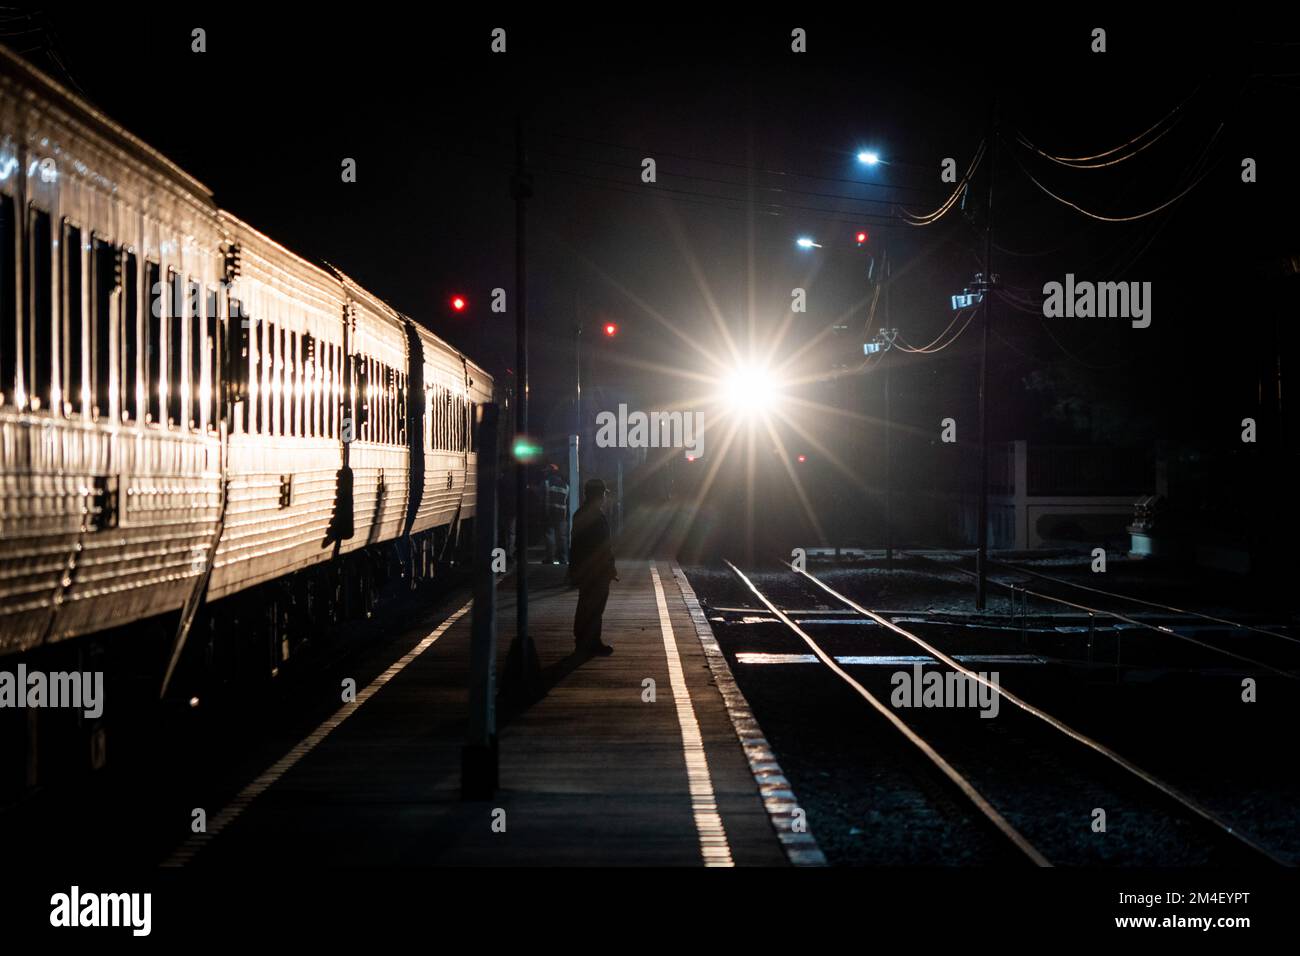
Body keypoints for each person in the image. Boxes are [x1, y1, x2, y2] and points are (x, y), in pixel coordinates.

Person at [569, 478, 617, 656]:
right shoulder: (597, 516)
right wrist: (609, 566)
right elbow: (603, 546)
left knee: (585, 605)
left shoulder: (579, 513)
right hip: (597, 570)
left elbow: (576, 544)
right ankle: (591, 642)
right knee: (595, 607)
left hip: (584, 568)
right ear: (599, 495)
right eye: (603, 493)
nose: (605, 497)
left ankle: (582, 641)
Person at [542, 463, 569, 565]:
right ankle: (563, 559)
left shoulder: (546, 483)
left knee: (550, 536)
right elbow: (566, 501)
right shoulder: (565, 485)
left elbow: (543, 499)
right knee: (562, 537)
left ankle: (550, 558)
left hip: (550, 513)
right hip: (562, 515)